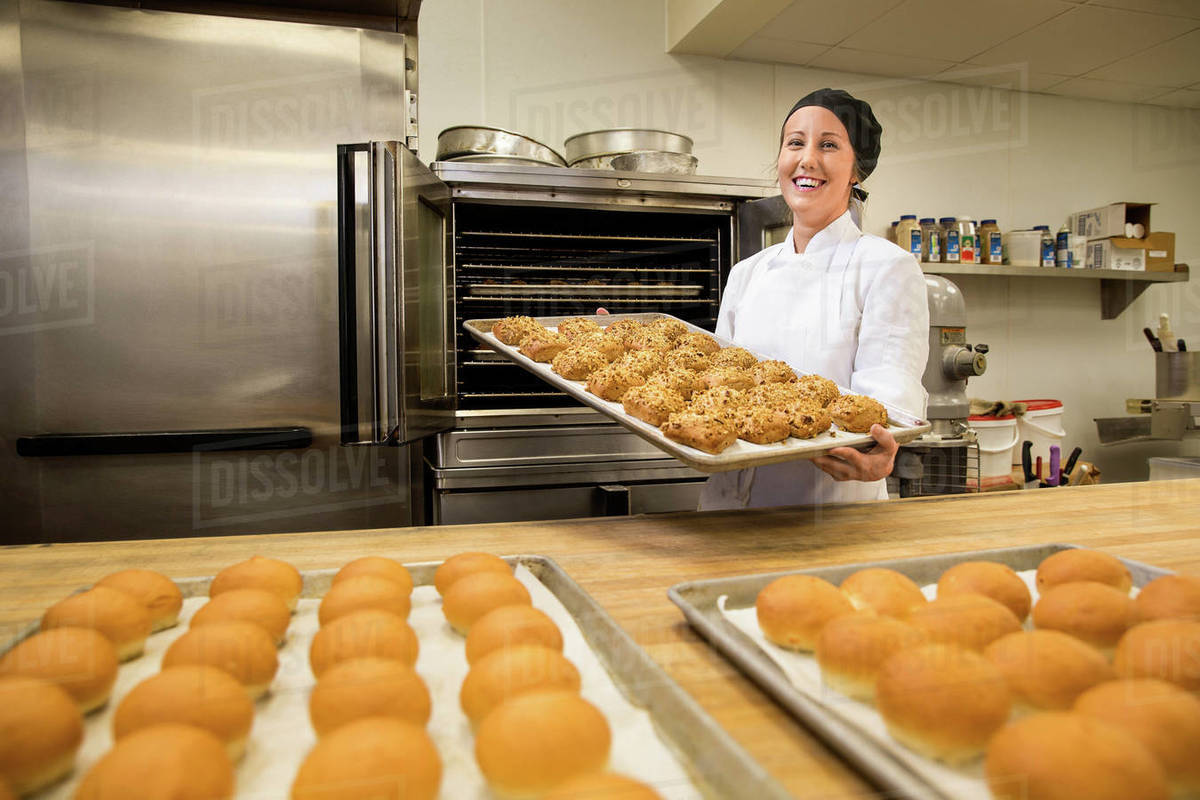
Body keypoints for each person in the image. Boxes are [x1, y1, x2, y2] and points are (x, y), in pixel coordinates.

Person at [697, 88, 929, 511]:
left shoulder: (886, 268)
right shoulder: (747, 273)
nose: (806, 159)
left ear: (857, 170)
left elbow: (886, 400)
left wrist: (879, 452)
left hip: (827, 510)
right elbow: (712, 383)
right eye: (795, 142)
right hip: (725, 510)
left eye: (828, 144)